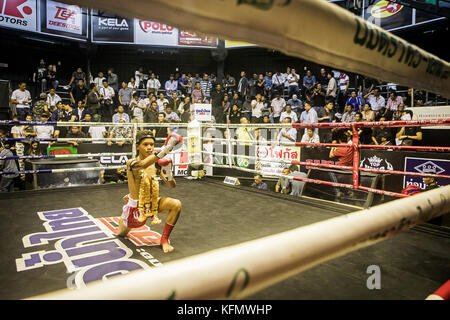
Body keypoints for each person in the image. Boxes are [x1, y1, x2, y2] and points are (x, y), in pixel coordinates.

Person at [117, 130, 183, 253]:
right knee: (120, 234)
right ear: (137, 146)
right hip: (136, 209)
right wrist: (167, 148)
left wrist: (168, 174)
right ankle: (126, 209)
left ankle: (164, 240)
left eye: (152, 145)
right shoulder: (131, 163)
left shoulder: (156, 164)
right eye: (145, 144)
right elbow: (143, 164)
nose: (149, 147)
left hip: (152, 205)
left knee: (176, 204)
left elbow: (172, 185)